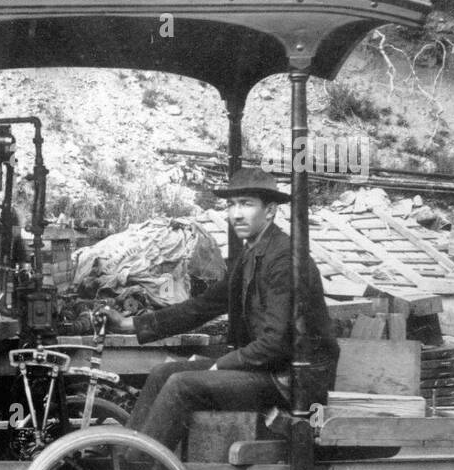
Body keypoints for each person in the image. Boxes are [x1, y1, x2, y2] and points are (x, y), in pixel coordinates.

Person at [103, 166, 339, 453]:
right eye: (232, 205)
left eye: (246, 204)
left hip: (292, 381)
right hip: (269, 369)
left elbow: (276, 342)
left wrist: (224, 364)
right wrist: (131, 324)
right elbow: (203, 306)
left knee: (181, 385)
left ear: (270, 211)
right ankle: (124, 459)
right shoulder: (251, 254)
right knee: (162, 374)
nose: (236, 214)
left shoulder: (283, 259)